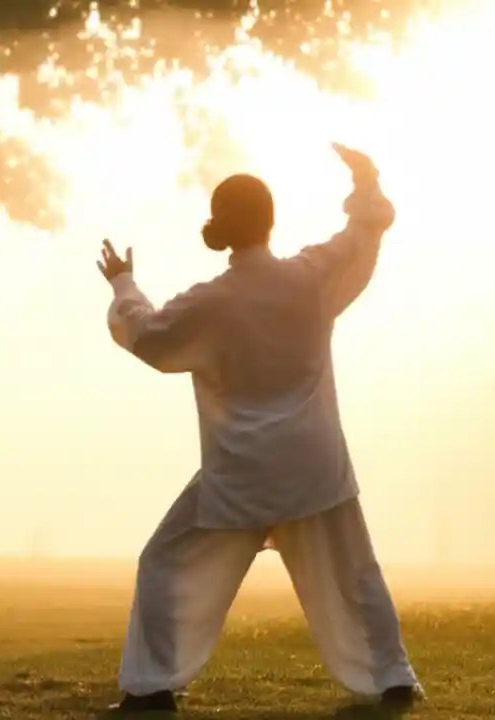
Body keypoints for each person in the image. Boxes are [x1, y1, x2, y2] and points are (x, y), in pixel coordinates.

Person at [96, 144, 421, 715]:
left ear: (221, 227)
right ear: (270, 221)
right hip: (314, 464)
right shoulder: (309, 278)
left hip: (240, 473)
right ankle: (391, 678)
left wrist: (124, 284)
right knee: (354, 572)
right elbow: (363, 235)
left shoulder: (213, 301)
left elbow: (147, 336)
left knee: (163, 563)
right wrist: (366, 177)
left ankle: (151, 688)